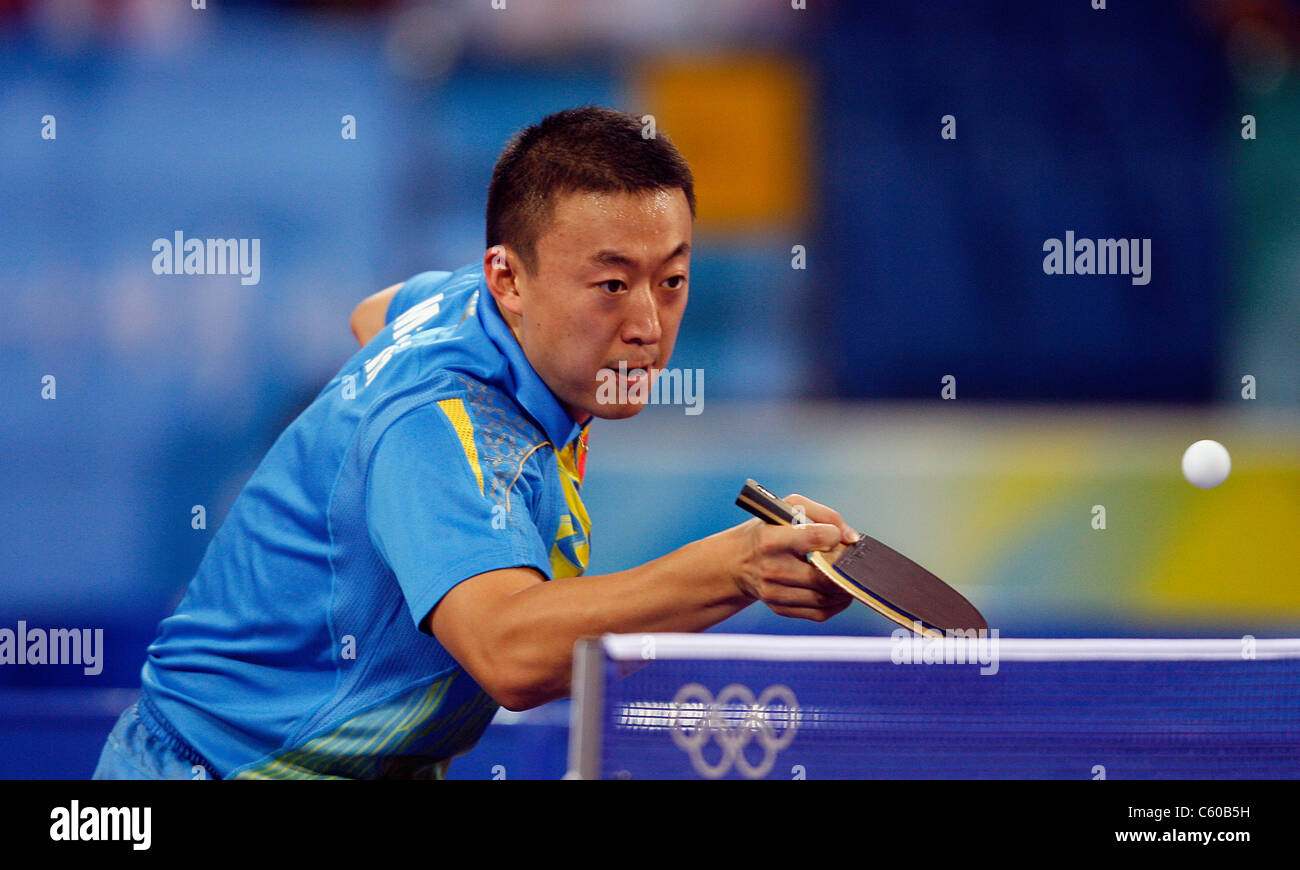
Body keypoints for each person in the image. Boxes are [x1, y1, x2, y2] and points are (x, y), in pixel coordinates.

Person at [92, 106, 856, 780]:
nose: (649, 328)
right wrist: (738, 565)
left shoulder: (466, 304)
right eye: (613, 285)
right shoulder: (440, 430)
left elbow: (375, 313)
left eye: (673, 280)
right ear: (509, 279)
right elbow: (509, 653)